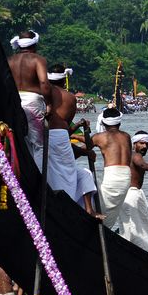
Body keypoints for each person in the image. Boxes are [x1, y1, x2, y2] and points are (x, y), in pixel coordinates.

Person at [45, 65, 98, 215]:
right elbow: (65, 130)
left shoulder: (42, 94)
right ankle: (68, 207)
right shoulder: (69, 98)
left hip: (43, 135)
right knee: (66, 172)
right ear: (63, 80)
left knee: (52, 171)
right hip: (60, 136)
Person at [117, 131, 148, 263]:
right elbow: (141, 164)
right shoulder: (135, 155)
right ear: (134, 143)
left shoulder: (126, 155)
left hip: (128, 195)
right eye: (142, 143)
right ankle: (144, 259)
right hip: (132, 195)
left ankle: (131, 256)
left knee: (132, 228)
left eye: (147, 144)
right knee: (139, 229)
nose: (145, 146)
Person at [7, 30, 52, 158]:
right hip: (33, 101)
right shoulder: (38, 60)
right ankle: (39, 177)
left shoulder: (10, 60)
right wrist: (49, 104)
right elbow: (44, 82)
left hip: (15, 101)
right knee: (38, 145)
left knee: (19, 143)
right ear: (34, 45)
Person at [87, 108, 132, 229]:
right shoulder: (127, 136)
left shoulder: (101, 137)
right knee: (109, 209)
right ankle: (104, 228)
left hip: (113, 176)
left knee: (86, 179)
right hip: (126, 176)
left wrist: (74, 134)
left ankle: (98, 227)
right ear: (119, 123)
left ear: (104, 124)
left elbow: (87, 144)